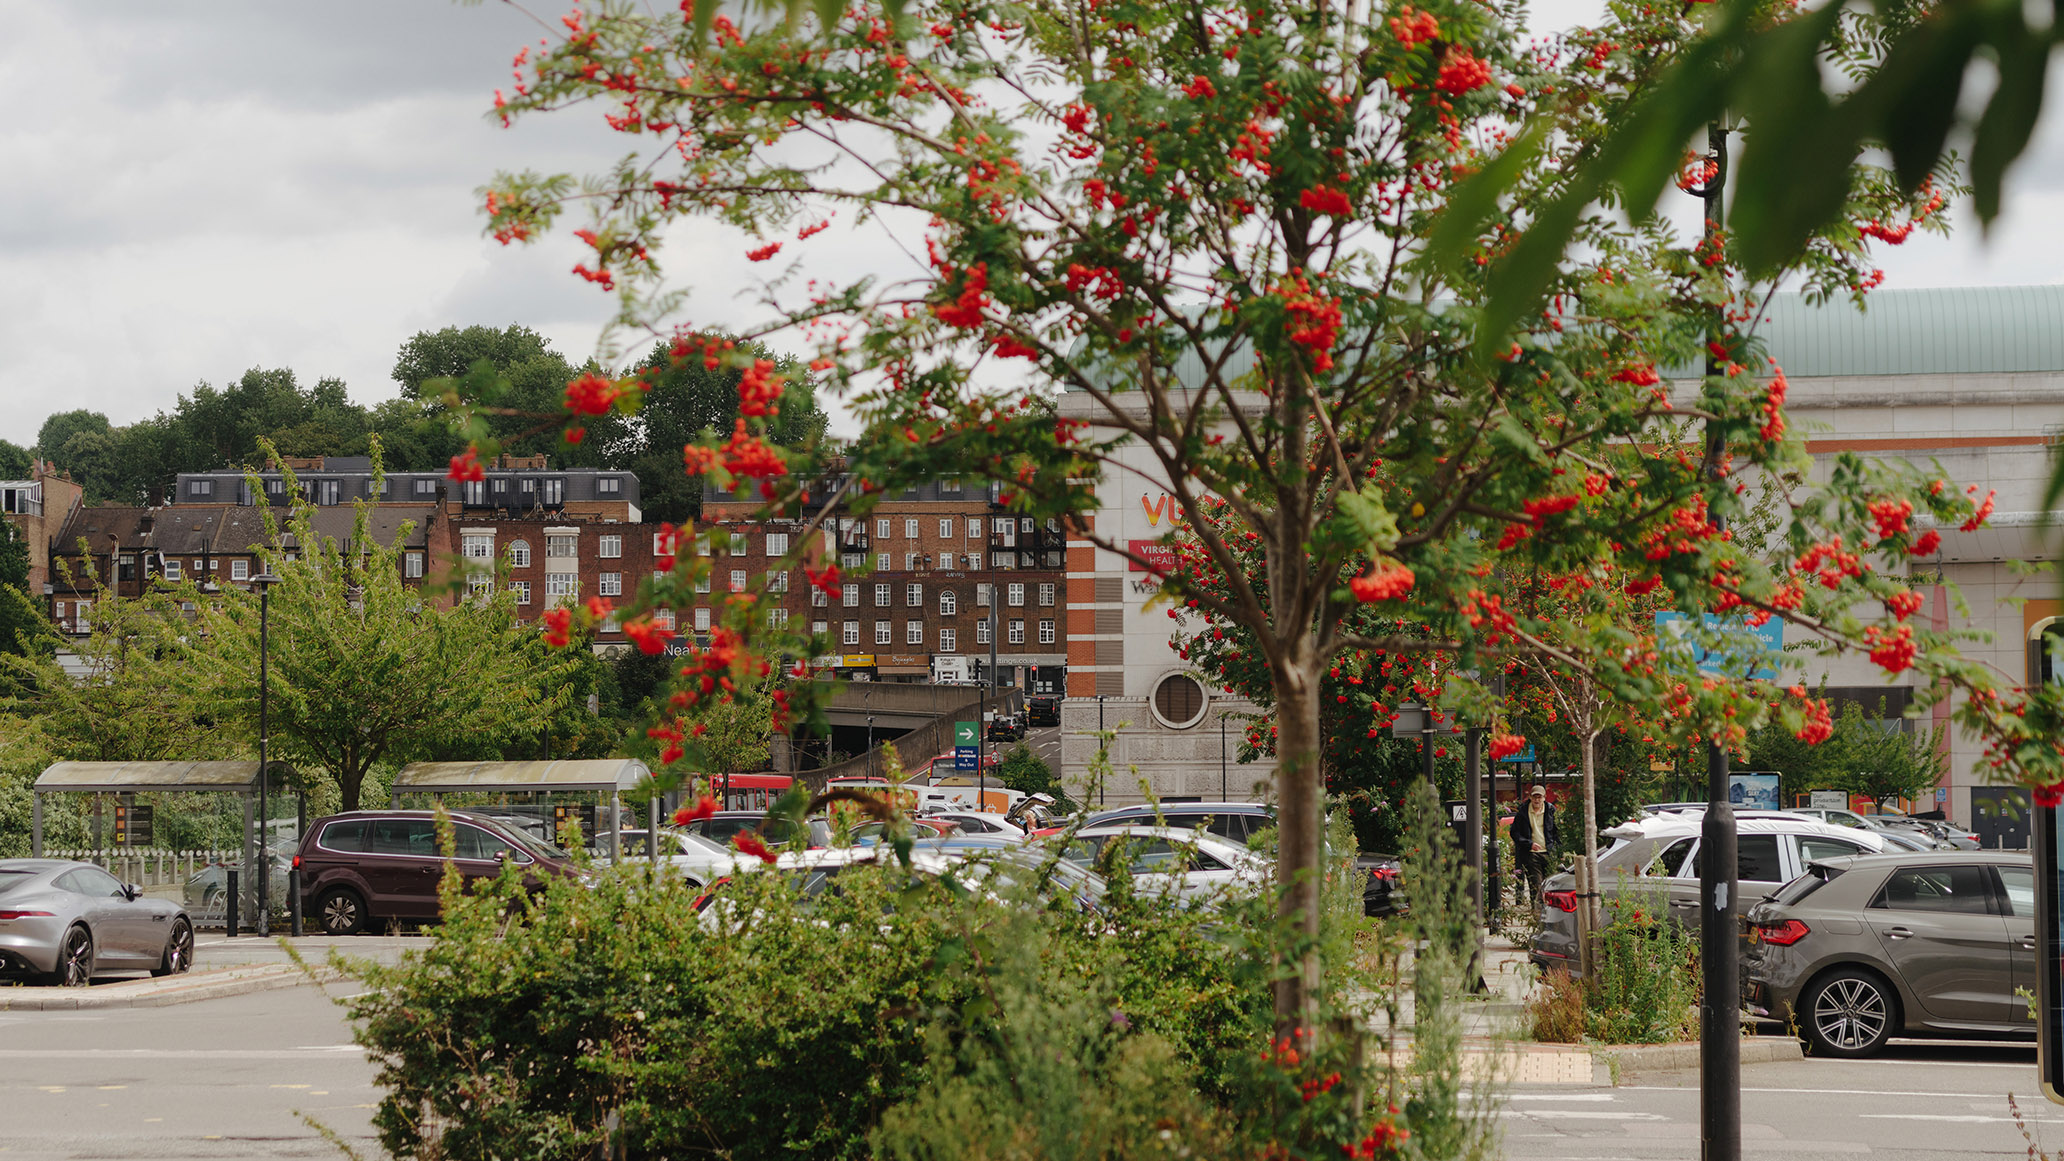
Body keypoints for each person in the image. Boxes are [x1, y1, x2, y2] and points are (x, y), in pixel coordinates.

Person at [1510, 784, 1558, 902]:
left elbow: (1557, 832)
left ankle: (1548, 914)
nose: (1537, 800)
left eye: (1539, 797)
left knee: (1549, 887)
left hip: (1548, 853)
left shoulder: (1551, 811)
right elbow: (1514, 832)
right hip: (1531, 854)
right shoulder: (1523, 812)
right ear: (1530, 797)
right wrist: (1529, 844)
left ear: (1544, 798)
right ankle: (1537, 915)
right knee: (1536, 887)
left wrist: (1558, 851)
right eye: (1535, 797)